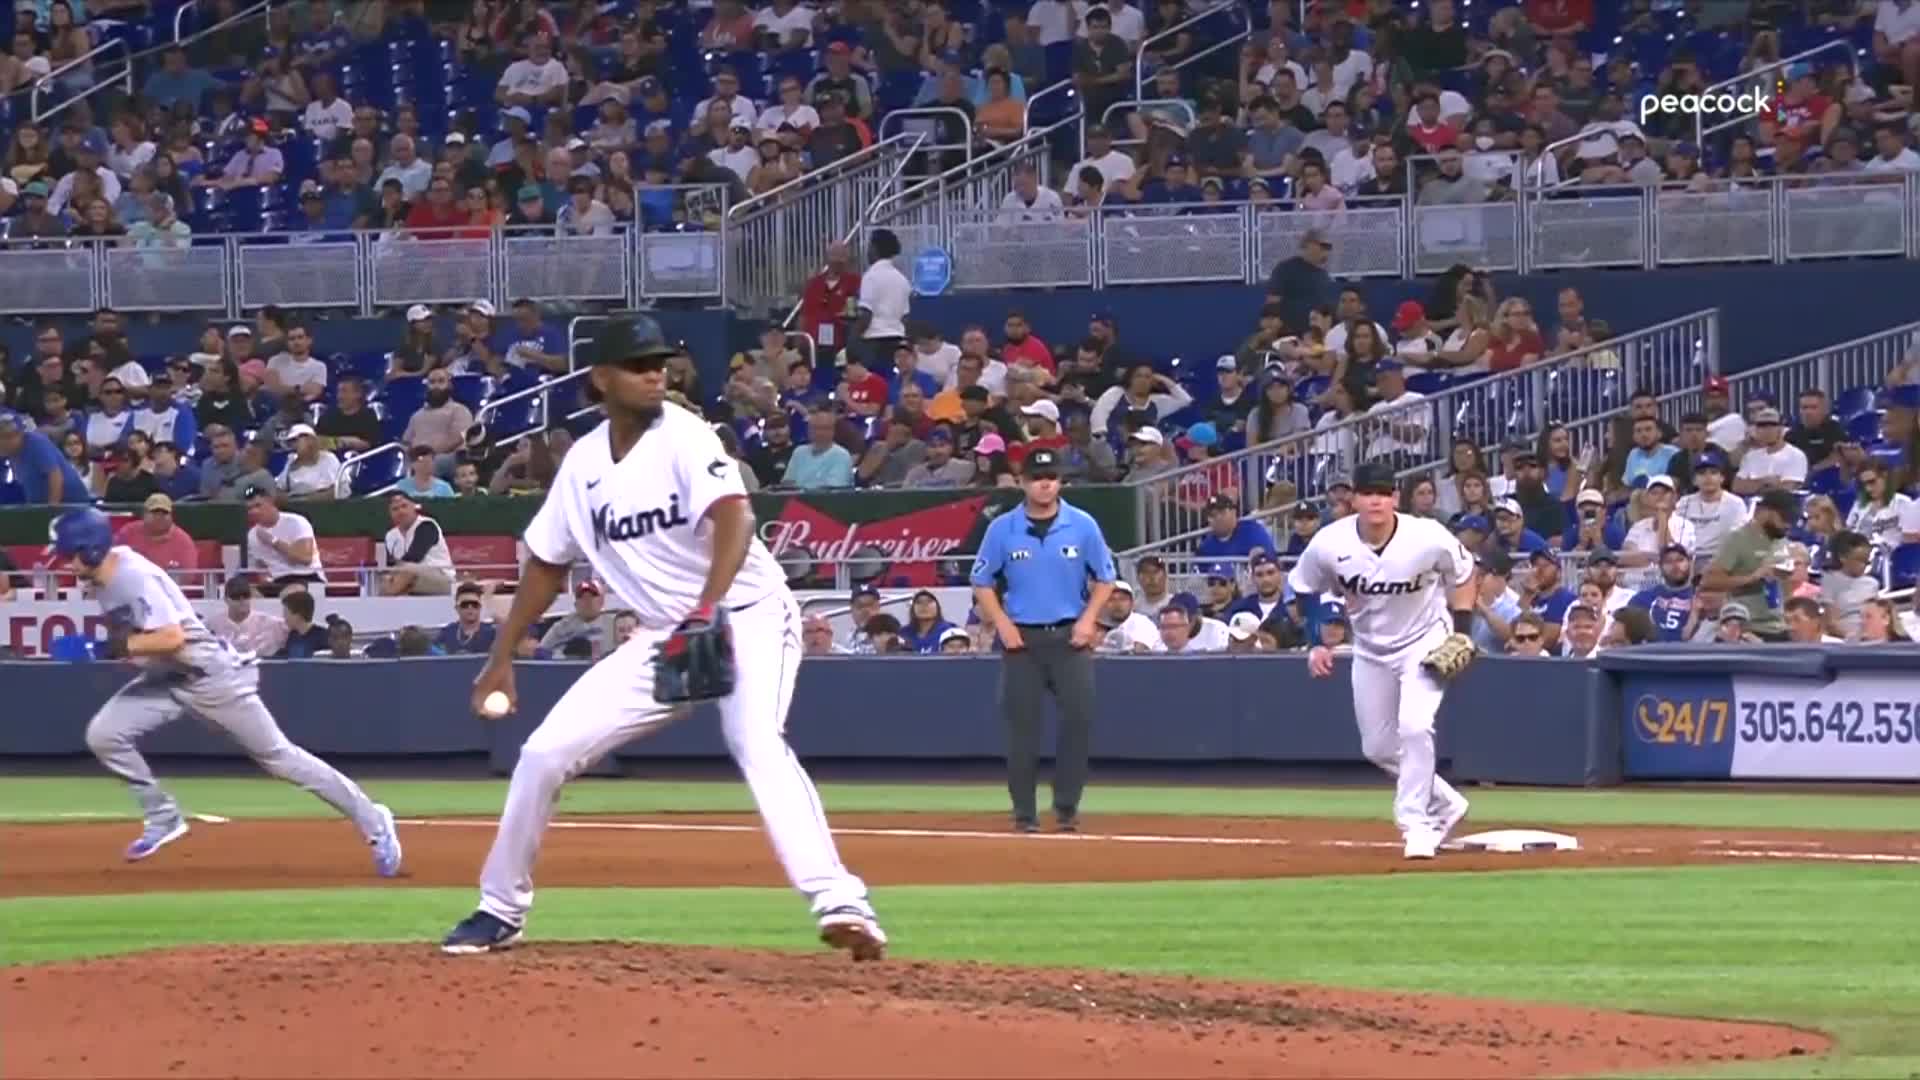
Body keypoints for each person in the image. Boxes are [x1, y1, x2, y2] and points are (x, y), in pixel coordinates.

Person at [442, 317, 884, 960]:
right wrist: (500, 655)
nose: (656, 374)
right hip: (666, 637)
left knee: (756, 740)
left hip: (749, 615)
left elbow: (736, 517)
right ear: (601, 378)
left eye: (659, 363)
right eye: (638, 364)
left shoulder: (684, 434)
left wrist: (708, 607)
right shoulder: (582, 466)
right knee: (541, 754)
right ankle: (499, 907)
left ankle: (841, 902)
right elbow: (545, 564)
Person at [48, 507, 400, 873]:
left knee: (281, 758)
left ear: (91, 550)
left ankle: (374, 821)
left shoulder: (130, 577)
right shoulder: (104, 577)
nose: (67, 564)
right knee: (104, 735)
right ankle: (163, 816)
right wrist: (122, 649)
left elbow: (172, 637)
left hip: (211, 678)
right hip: (168, 677)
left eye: (71, 555)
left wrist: (109, 649)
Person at [1288, 461, 1477, 860]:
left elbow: (1463, 574)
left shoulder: (1426, 536)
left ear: (1395, 498)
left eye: (1383, 493)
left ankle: (1416, 824)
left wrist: (1462, 631)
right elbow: (1304, 588)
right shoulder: (1329, 542)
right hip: (1370, 649)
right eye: (1367, 493)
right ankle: (1445, 802)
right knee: (1377, 747)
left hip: (1425, 640)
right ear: (1353, 499)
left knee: (1415, 725)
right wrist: (1315, 643)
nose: (1375, 500)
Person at [969, 447, 1118, 834]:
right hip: (1022, 640)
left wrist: (1089, 620)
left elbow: (1106, 577)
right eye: (1037, 478)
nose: (1045, 484)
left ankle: (1066, 807)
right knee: (1022, 728)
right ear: (1022, 483)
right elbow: (981, 580)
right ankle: (1024, 813)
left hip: (1070, 637)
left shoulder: (1082, 524)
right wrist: (1002, 623)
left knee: (1079, 720)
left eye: (1051, 477)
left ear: (1061, 482)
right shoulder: (1002, 528)